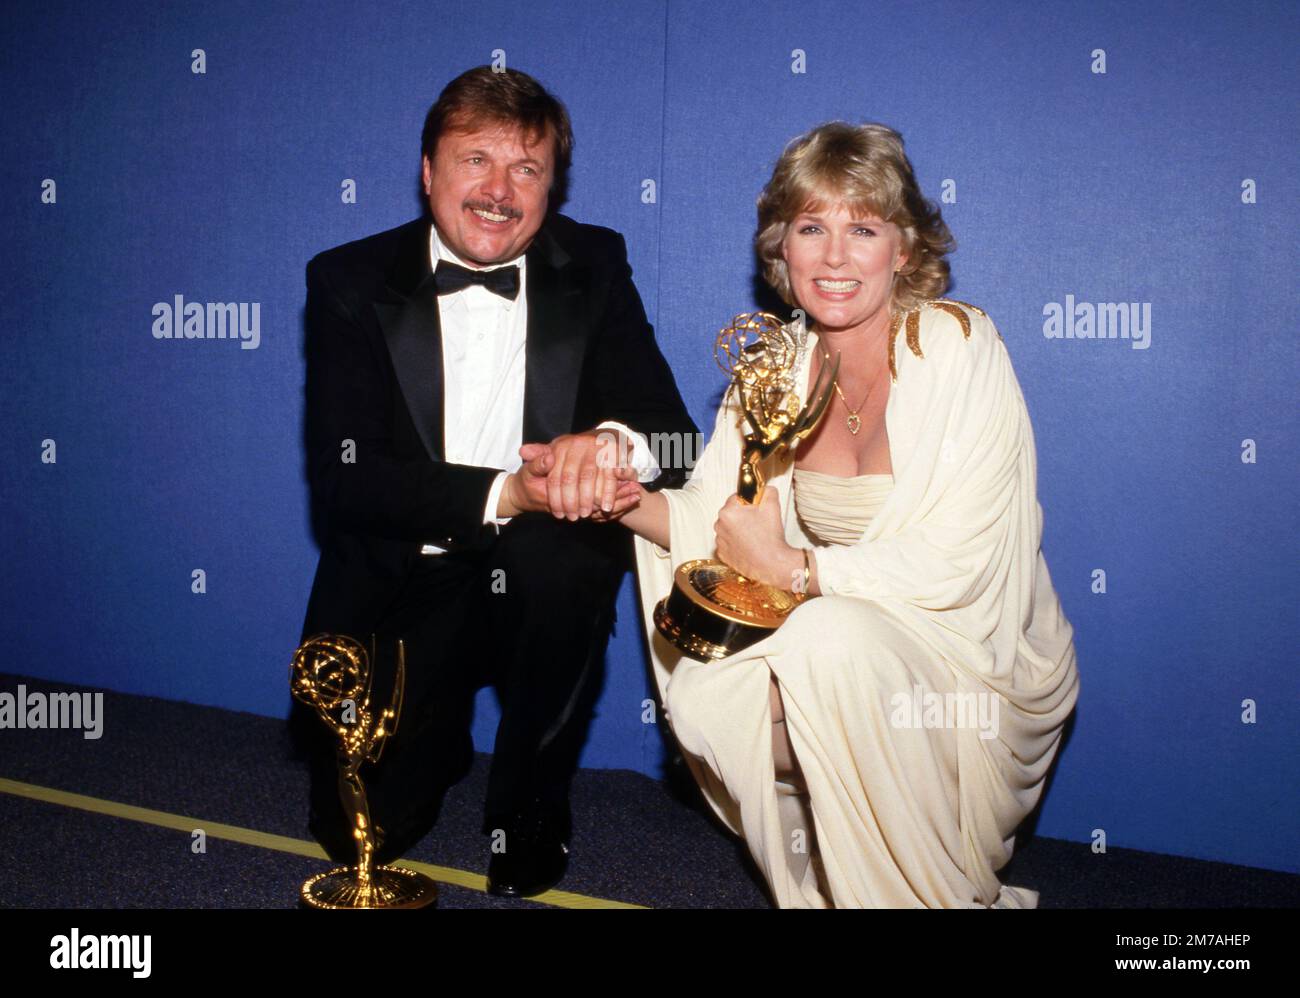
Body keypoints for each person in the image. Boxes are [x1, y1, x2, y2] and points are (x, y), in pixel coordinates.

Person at [615, 121, 1080, 907]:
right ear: (781, 248)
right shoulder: (774, 366)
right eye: (811, 228)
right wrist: (621, 500)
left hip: (972, 666)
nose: (834, 257)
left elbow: (959, 561)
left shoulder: (956, 346)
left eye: (862, 229)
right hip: (845, 653)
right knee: (705, 691)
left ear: (902, 249)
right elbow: (717, 519)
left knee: (825, 637)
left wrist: (797, 570)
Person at [295, 65, 696, 898]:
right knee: (354, 831)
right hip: (410, 569)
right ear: (428, 170)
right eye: (475, 159)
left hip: (541, 562)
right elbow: (348, 480)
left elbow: (675, 440)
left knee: (568, 563)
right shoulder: (348, 281)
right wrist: (506, 490)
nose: (499, 190)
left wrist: (607, 447)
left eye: (527, 168)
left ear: (553, 185)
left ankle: (532, 800)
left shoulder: (594, 262)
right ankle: (436, 738)